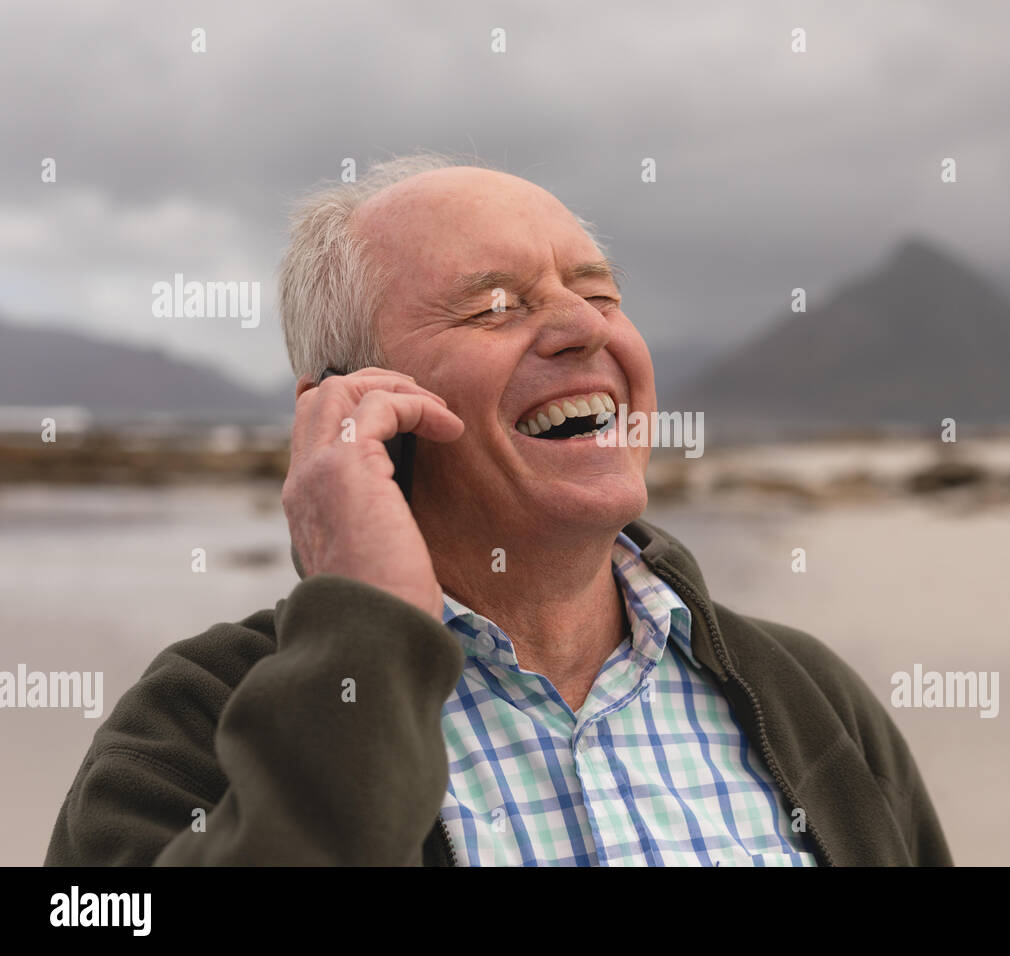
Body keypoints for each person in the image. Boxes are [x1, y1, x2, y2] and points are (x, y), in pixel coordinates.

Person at [45, 153, 952, 866]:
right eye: (492, 307)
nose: (586, 328)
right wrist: (363, 642)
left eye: (598, 294)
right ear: (353, 405)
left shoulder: (804, 694)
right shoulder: (189, 726)